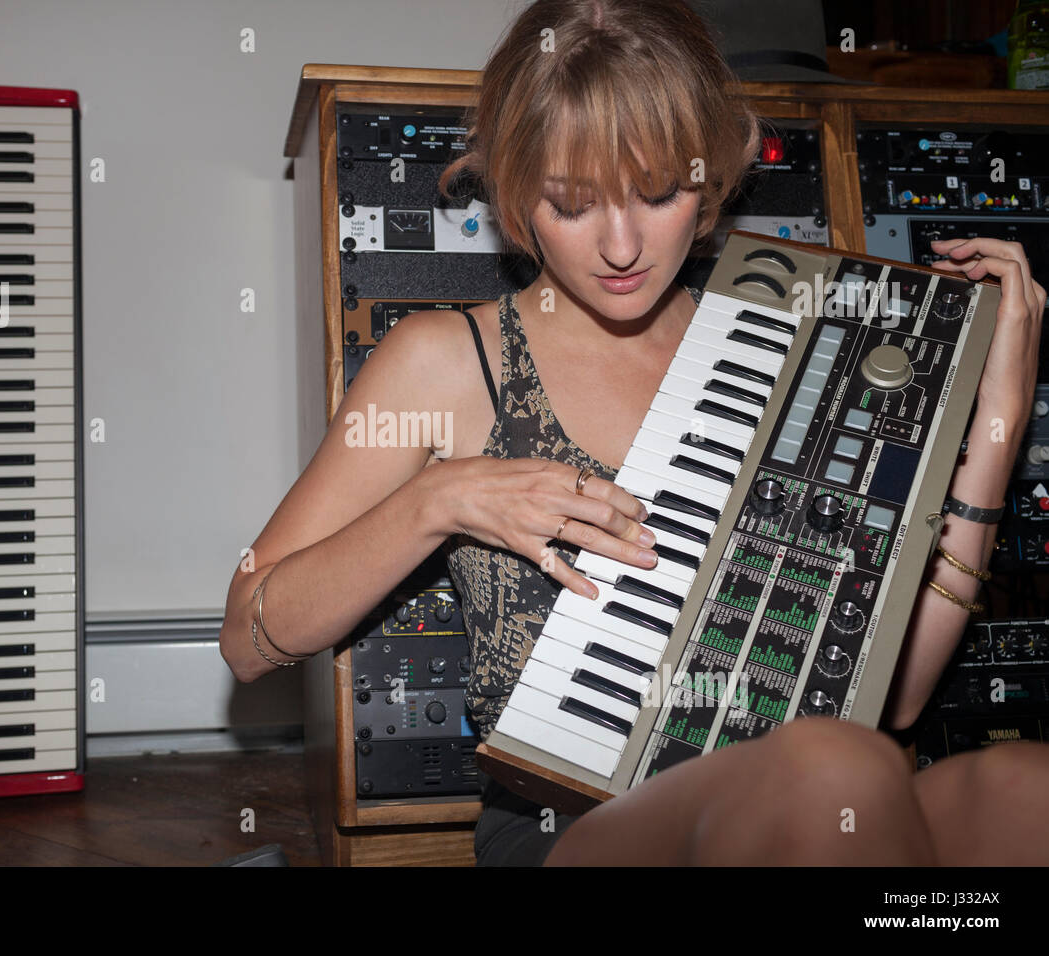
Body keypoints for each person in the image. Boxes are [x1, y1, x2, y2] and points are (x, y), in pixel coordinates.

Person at [220, 0, 1049, 865]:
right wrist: (438, 499)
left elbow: (896, 697)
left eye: (658, 193)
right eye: (572, 203)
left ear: (712, 176)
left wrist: (998, 419)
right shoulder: (448, 362)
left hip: (808, 795)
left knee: (1020, 788)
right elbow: (246, 636)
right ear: (515, 193)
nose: (622, 247)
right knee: (829, 771)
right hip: (574, 819)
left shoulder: (792, 346)